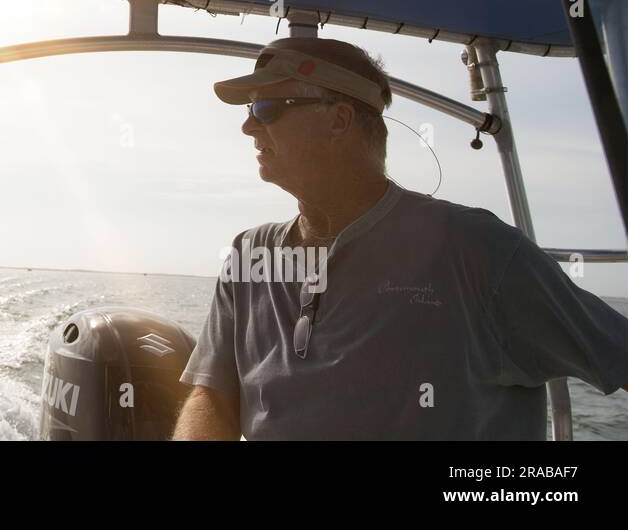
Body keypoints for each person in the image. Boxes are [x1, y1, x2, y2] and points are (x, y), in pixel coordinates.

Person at [171, 36, 628, 440]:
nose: (249, 126)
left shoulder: (474, 248)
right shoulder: (248, 255)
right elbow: (212, 396)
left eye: (266, 108)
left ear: (339, 119)